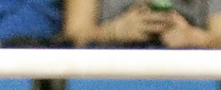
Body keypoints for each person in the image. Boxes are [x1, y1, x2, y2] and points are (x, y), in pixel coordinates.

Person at [64, 0, 221, 47]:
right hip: (109, 75)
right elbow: (75, 32)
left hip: (191, 79)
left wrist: (193, 38)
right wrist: (113, 32)